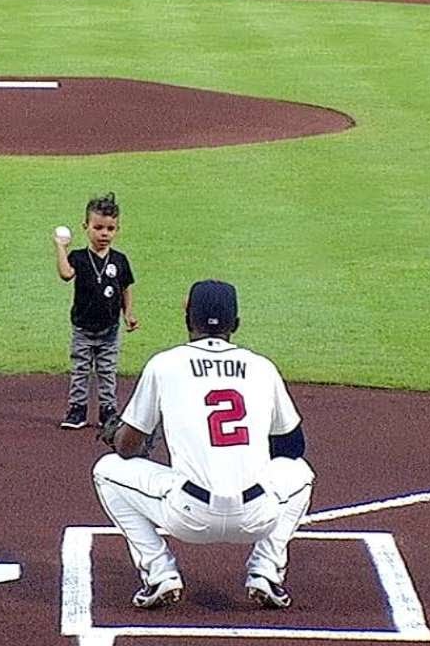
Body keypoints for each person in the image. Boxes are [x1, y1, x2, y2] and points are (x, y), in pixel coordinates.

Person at [92, 280, 314, 610]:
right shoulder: (262, 367)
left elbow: (126, 448)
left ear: (187, 320)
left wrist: (121, 434)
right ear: (235, 324)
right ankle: (266, 571)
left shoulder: (164, 364)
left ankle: (159, 572)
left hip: (187, 515)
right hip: (257, 515)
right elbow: (294, 446)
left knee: (106, 471)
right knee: (301, 473)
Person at [53, 192, 138, 429]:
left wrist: (128, 314)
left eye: (110, 229)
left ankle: (108, 411)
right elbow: (65, 274)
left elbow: (126, 288)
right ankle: (77, 410)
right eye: (98, 227)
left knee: (107, 371)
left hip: (110, 329)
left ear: (117, 229)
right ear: (86, 227)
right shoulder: (79, 257)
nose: (104, 234)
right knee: (81, 370)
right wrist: (60, 247)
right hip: (82, 327)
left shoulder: (119, 260)